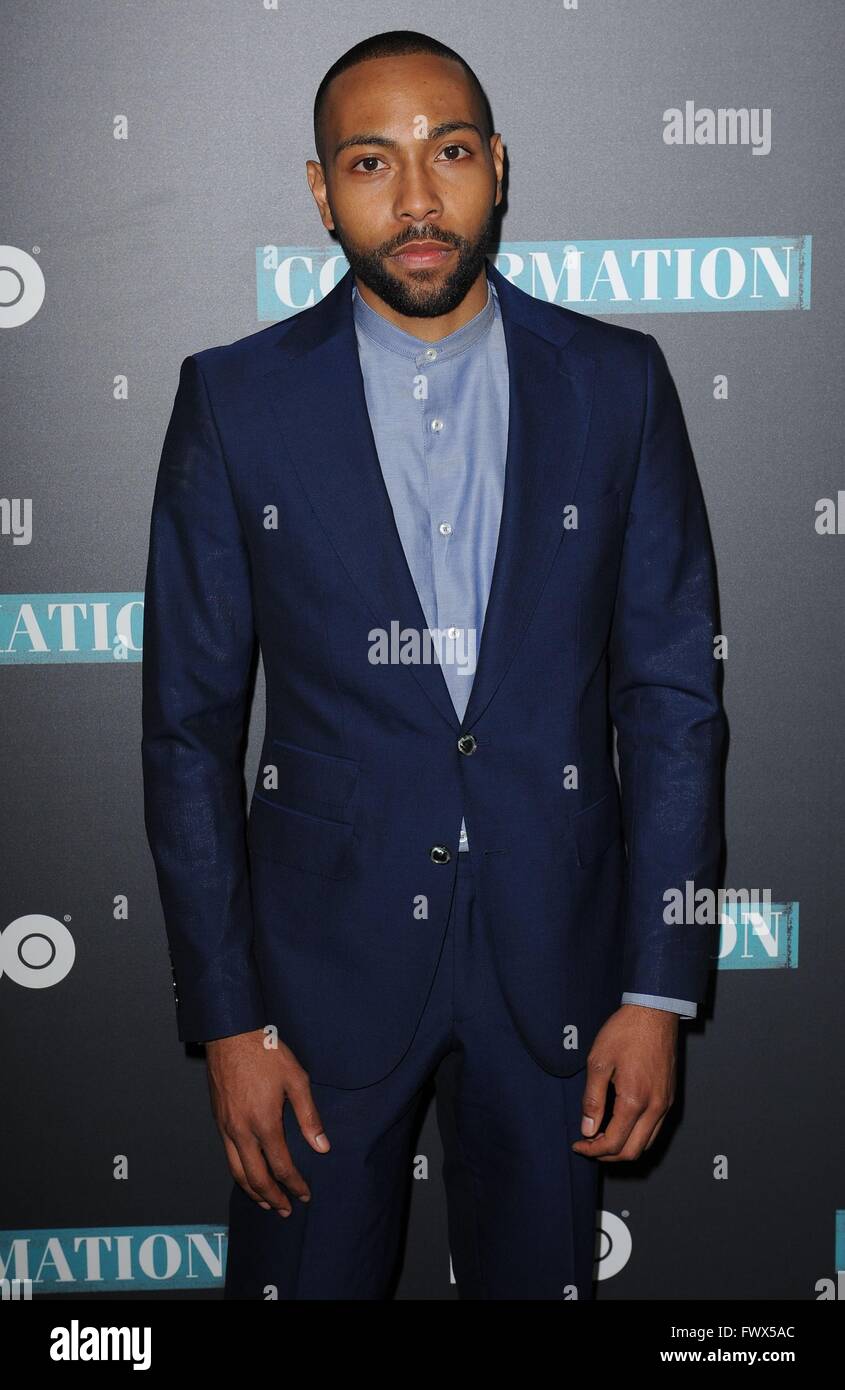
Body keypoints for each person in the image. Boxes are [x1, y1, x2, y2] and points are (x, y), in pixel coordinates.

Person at [141, 30, 726, 1300]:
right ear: (319, 190)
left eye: (448, 152)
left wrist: (655, 987)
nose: (415, 199)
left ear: (497, 167)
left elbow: (672, 702)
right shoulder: (235, 405)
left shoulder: (616, 386)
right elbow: (187, 731)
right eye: (370, 162)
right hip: (313, 979)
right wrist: (229, 1018)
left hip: (560, 968)